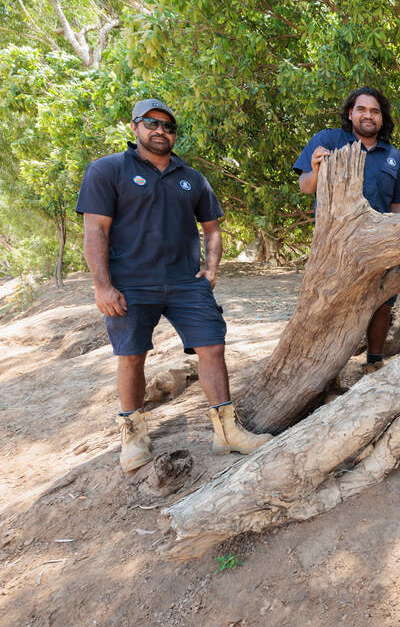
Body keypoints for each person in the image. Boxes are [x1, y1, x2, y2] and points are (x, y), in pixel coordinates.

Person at [77, 98, 272, 472]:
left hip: (186, 283)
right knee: (132, 355)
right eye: (151, 123)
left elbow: (212, 229)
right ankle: (133, 436)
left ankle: (226, 432)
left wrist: (211, 269)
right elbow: (95, 230)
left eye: (168, 126)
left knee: (212, 347)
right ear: (134, 127)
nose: (160, 130)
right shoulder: (108, 170)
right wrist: (102, 286)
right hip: (130, 284)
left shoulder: (192, 178)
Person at [294, 86, 400, 373]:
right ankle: (319, 370)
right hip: (335, 244)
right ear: (350, 113)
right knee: (329, 304)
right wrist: (316, 169)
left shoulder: (394, 157)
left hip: (379, 243)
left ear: (382, 118)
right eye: (362, 109)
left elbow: (397, 206)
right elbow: (305, 187)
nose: (368, 115)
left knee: (382, 303)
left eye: (375, 111)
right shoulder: (328, 141)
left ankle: (374, 362)